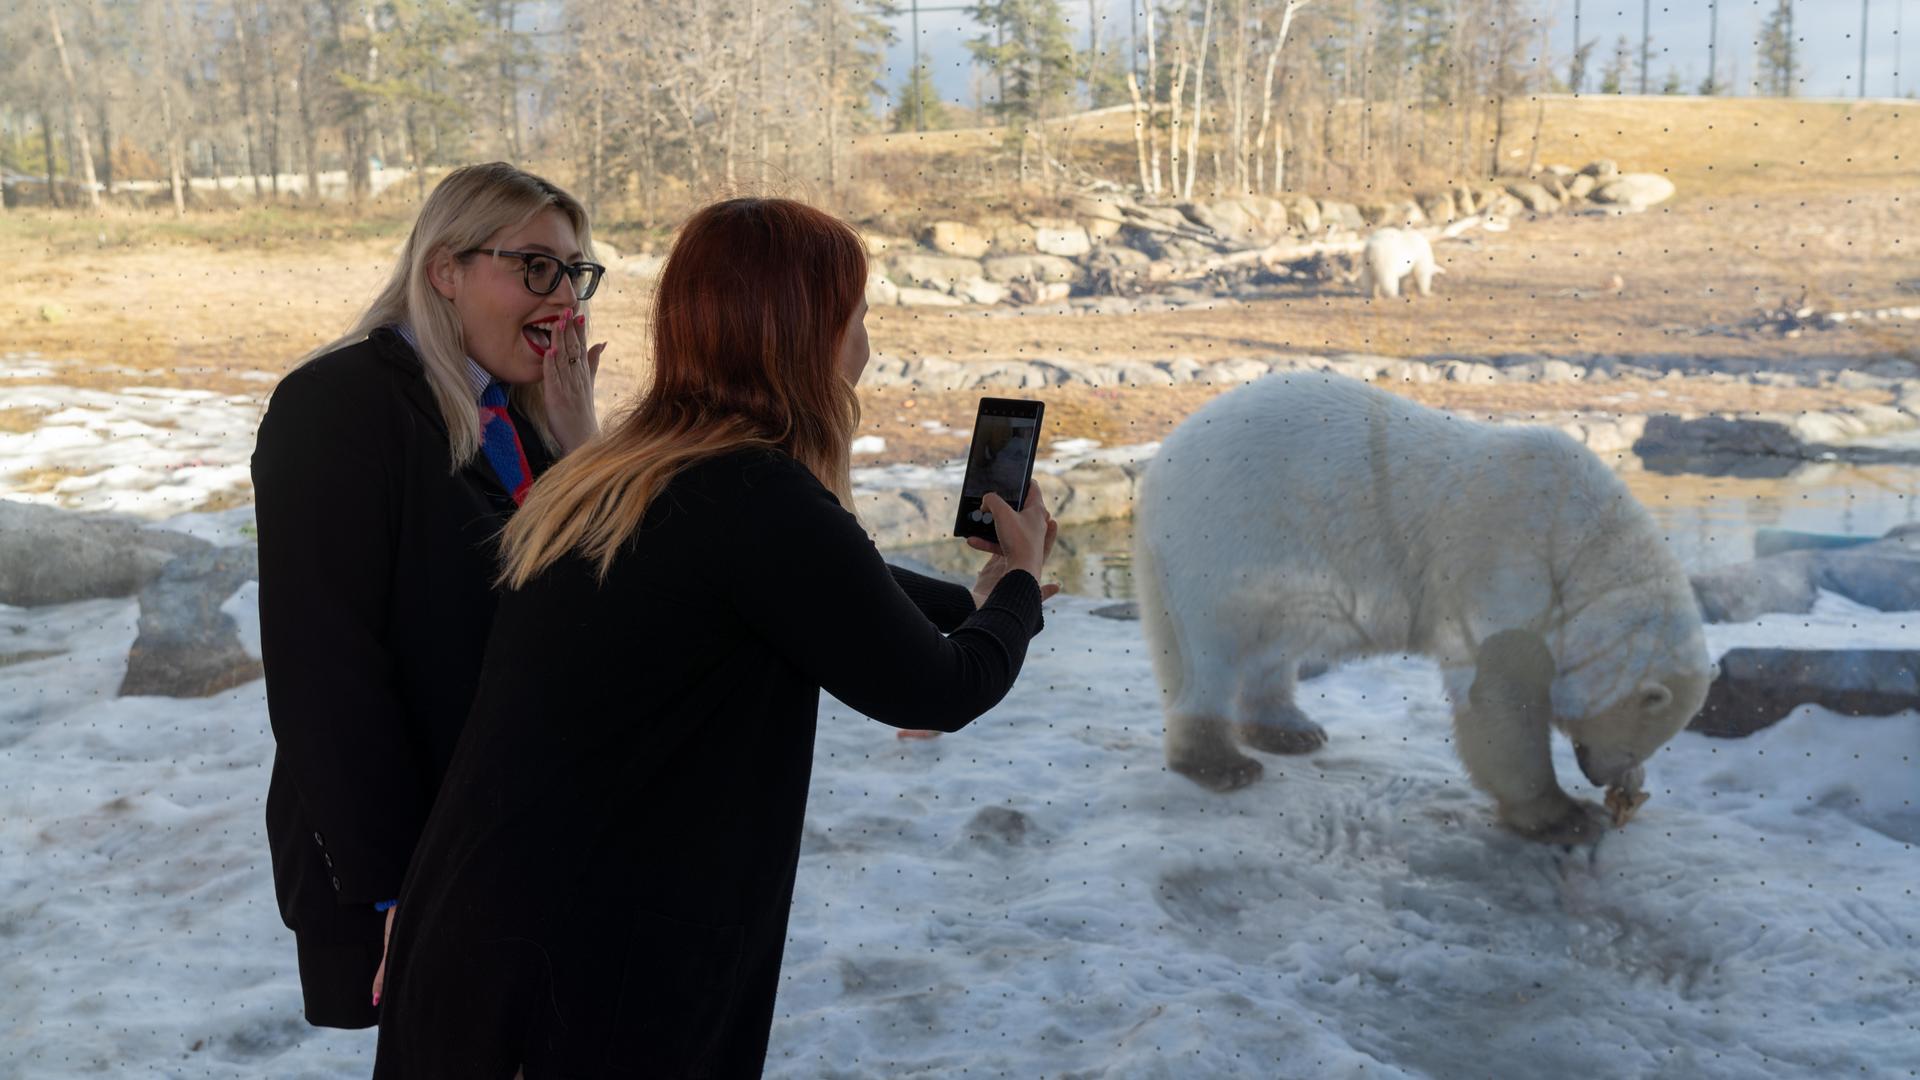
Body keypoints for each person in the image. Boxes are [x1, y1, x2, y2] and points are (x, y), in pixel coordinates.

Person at [370, 197, 1058, 1078]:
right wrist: (1021, 587)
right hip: (591, 980)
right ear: (807, 334)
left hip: (479, 934)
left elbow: (843, 586)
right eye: (859, 319)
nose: (866, 347)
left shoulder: (634, 467)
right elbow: (939, 690)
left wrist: (991, 599)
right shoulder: (757, 497)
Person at [250, 162, 607, 1030]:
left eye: (574, 272)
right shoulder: (336, 407)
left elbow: (583, 610)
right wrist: (398, 888)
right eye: (535, 267)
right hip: (411, 870)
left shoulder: (515, 413)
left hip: (512, 845)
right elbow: (324, 674)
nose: (563, 298)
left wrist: (581, 451)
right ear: (444, 270)